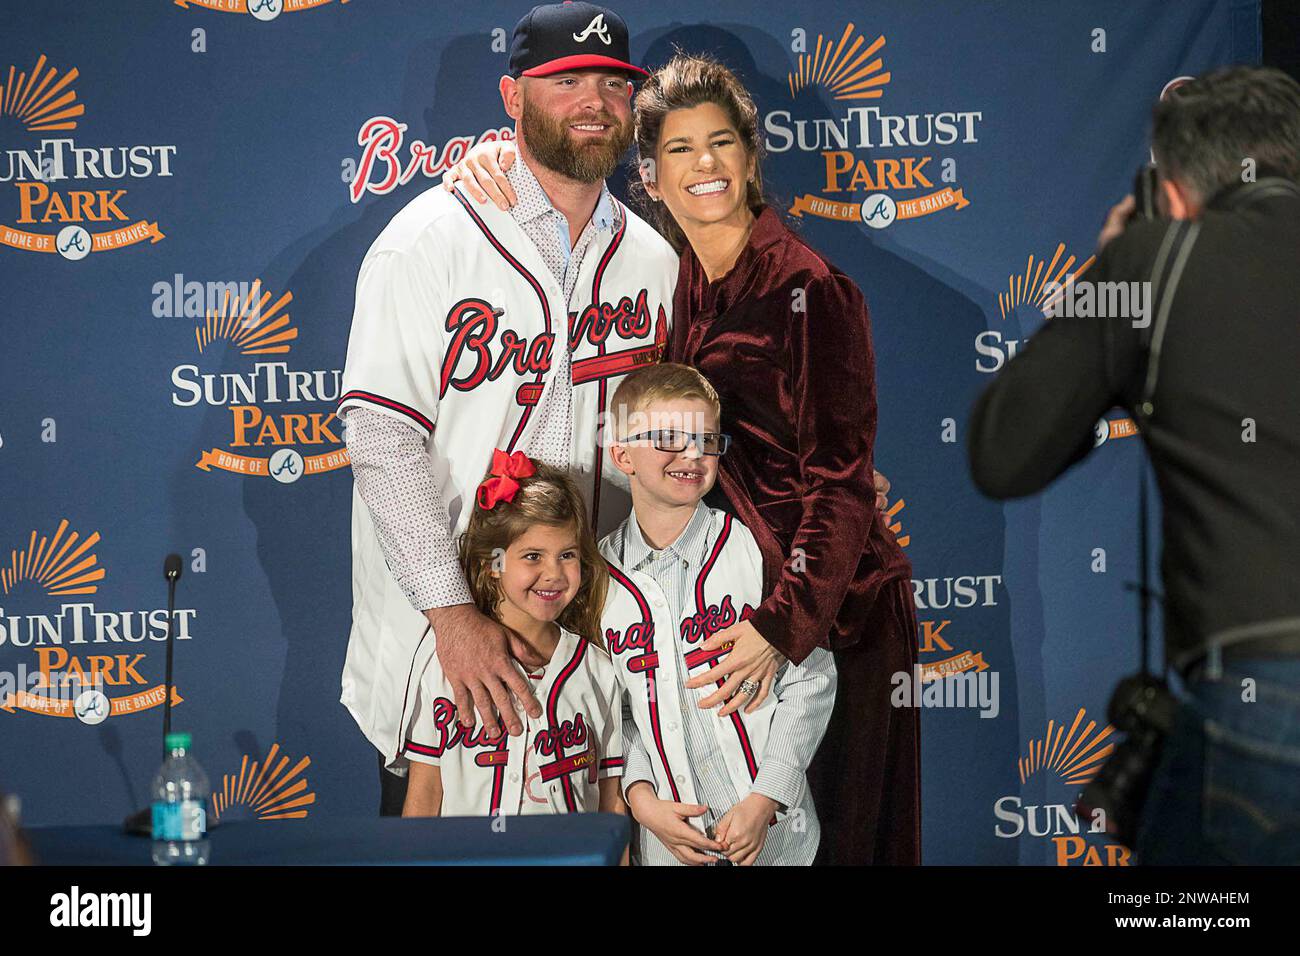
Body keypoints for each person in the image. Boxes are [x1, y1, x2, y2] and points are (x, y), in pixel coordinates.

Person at [446, 52, 918, 865]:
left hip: (829, 617)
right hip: (712, 600)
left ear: (749, 157)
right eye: (678, 149)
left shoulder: (813, 290)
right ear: (650, 176)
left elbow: (843, 486)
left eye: (722, 142)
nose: (705, 164)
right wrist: (497, 153)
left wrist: (783, 626)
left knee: (836, 842)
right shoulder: (672, 283)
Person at [337, 1, 678, 815]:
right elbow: (381, 438)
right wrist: (452, 614)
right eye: (564, 80)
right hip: (445, 642)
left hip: (596, 648)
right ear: (512, 97)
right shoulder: (427, 240)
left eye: (612, 82)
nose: (593, 100)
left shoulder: (656, 261)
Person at [968, 65, 1300, 864]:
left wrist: (1116, 268)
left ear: (1173, 191)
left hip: (1268, 689)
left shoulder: (1155, 260)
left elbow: (1003, 452)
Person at [600, 363, 835, 865]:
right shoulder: (598, 575)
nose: (692, 454)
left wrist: (764, 799)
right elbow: (618, 712)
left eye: (707, 440)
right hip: (671, 843)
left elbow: (812, 674)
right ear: (621, 455)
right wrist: (641, 803)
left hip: (776, 840)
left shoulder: (751, 546)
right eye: (668, 437)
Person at [401, 455, 627, 844]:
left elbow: (612, 803)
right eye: (533, 556)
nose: (554, 574)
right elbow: (424, 798)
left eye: (568, 555)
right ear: (494, 562)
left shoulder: (598, 669)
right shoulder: (447, 667)